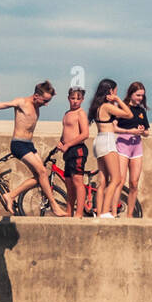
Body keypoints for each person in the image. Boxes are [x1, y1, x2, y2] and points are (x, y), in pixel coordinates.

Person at [0, 78, 65, 216]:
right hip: (18, 144)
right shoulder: (21, 102)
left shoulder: (37, 106)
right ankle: (54, 206)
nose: (46, 104)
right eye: (45, 101)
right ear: (36, 96)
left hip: (29, 145)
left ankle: (11, 195)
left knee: (41, 176)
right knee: (43, 173)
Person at [88, 78, 133, 218]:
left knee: (102, 182)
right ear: (110, 91)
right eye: (115, 91)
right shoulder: (106, 106)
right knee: (116, 179)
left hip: (98, 141)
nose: (116, 93)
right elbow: (129, 114)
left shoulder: (96, 106)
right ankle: (105, 212)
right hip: (107, 141)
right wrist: (118, 100)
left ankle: (99, 211)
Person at [116, 82, 151, 218]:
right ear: (131, 94)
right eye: (138, 95)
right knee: (120, 179)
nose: (140, 98)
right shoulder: (122, 108)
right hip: (123, 144)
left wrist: (142, 132)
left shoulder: (141, 111)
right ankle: (113, 212)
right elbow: (113, 127)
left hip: (136, 146)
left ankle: (130, 215)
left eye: (142, 95)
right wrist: (129, 130)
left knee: (134, 182)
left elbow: (147, 132)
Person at [57, 86, 89, 217]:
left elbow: (85, 134)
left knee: (77, 181)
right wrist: (61, 142)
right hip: (68, 151)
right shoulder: (67, 113)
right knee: (69, 183)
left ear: (82, 100)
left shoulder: (80, 113)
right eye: (72, 98)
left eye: (78, 98)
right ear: (68, 98)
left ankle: (79, 213)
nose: (75, 101)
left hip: (77, 150)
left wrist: (68, 144)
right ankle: (69, 211)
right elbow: (66, 132)